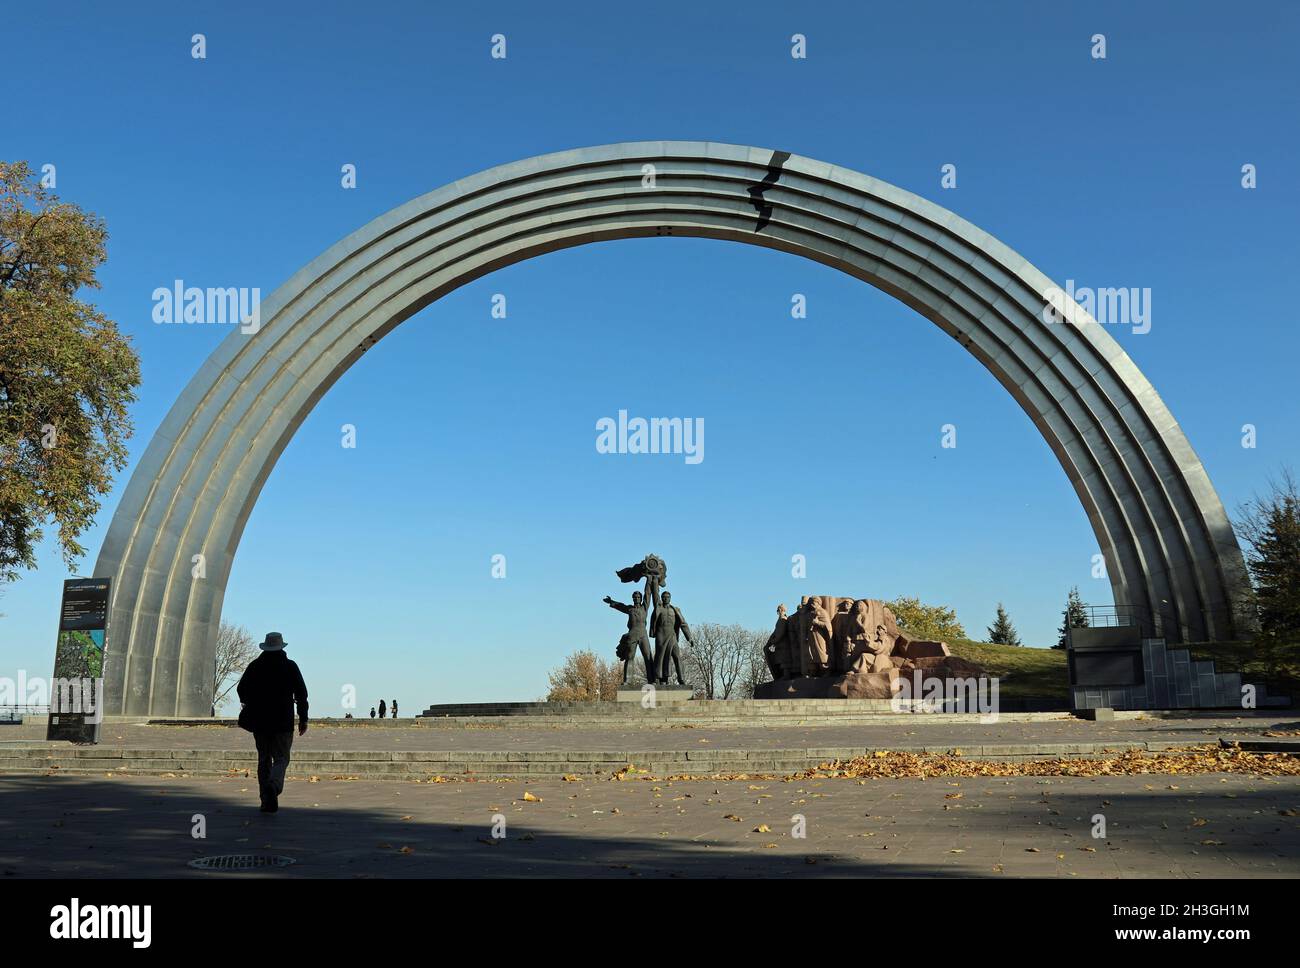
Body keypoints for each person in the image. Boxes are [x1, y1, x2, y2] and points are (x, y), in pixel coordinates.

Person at [235, 632, 308, 813]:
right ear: (282, 647)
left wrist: (249, 701)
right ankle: (274, 787)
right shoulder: (290, 666)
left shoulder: (255, 666)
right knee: (282, 758)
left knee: (264, 759)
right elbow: (301, 694)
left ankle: (265, 800)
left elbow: (241, 688)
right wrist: (303, 718)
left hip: (260, 722)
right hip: (283, 721)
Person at [605, 590, 653, 683]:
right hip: (632, 635)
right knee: (629, 657)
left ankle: (652, 679)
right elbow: (621, 606)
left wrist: (649, 579)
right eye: (635, 597)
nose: (637, 599)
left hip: (643, 635)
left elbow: (647, 594)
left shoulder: (644, 608)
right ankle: (627, 680)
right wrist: (611, 602)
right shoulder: (630, 609)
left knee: (648, 657)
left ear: (641, 598)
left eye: (638, 597)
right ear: (633, 598)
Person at [649, 590, 694, 685]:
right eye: (664, 597)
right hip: (661, 636)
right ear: (661, 598)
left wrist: (689, 637)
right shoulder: (658, 609)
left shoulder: (675, 609)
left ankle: (681, 679)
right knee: (660, 657)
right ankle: (661, 679)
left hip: (672, 636)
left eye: (667, 597)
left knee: (677, 657)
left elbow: (683, 624)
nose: (666, 598)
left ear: (670, 598)